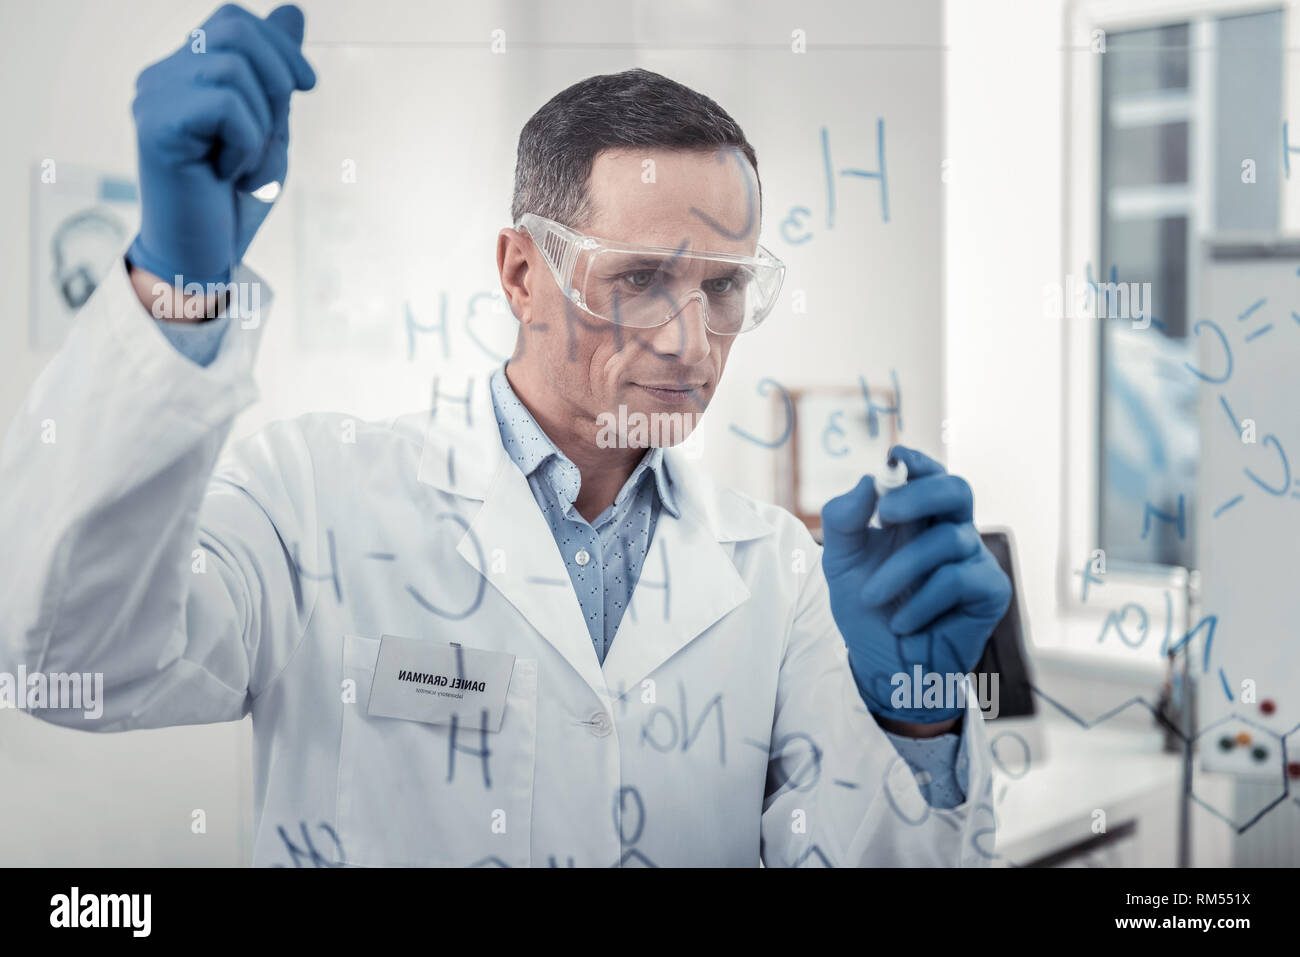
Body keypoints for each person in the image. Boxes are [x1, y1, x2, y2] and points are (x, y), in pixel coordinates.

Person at [0, 3, 1012, 867]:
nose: (691, 336)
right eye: (640, 278)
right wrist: (175, 286)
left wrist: (913, 716)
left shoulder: (780, 573)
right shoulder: (314, 494)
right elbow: (70, 657)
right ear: (523, 273)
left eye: (724, 287)